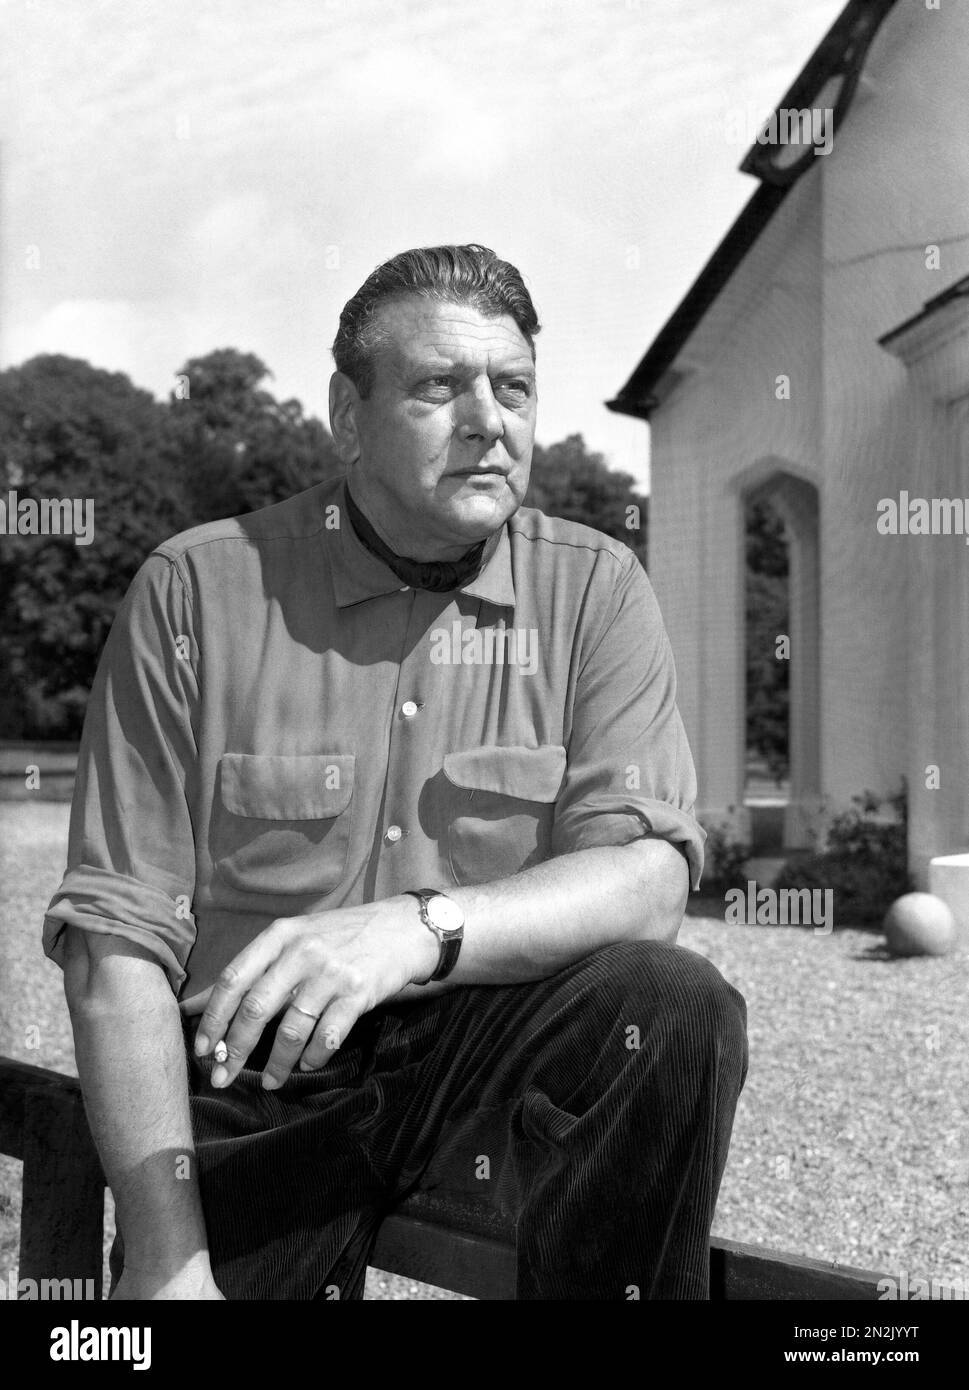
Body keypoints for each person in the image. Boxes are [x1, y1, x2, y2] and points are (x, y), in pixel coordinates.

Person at [44, 243, 747, 1301]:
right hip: (258, 1078)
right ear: (347, 412)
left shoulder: (598, 590)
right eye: (436, 386)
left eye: (512, 388)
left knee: (674, 1001)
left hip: (484, 1049)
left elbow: (649, 883)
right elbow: (115, 945)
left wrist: (416, 930)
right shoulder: (195, 591)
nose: (488, 421)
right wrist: (167, 1253)